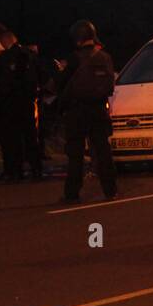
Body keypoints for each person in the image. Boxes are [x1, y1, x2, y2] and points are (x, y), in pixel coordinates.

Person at [54, 19, 118, 203]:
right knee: (103, 151)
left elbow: (59, 84)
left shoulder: (73, 59)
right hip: (98, 110)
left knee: (76, 154)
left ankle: (72, 193)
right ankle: (110, 190)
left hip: (76, 112)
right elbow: (109, 86)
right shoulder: (105, 57)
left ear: (76, 39)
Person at [0, 28, 41, 181]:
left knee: (12, 139)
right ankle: (36, 169)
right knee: (31, 137)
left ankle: (14, 170)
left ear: (4, 41)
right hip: (28, 103)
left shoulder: (1, 59)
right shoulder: (30, 56)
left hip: (9, 105)